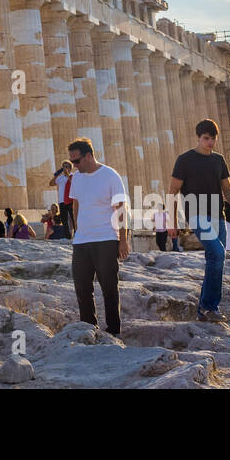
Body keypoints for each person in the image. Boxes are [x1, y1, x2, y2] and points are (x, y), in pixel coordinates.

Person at [167, 118, 230, 323]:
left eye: (212, 138)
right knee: (217, 253)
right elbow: (173, 191)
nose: (209, 142)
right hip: (196, 215)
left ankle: (207, 309)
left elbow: (227, 188)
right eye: (206, 138)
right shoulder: (185, 160)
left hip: (219, 215)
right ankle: (209, 307)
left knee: (216, 260)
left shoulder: (219, 160)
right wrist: (172, 222)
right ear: (198, 138)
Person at [67, 139, 128, 335]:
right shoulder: (77, 177)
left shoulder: (110, 175)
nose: (74, 166)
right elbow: (76, 205)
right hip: (82, 240)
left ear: (88, 156)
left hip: (106, 238)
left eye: (77, 161)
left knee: (109, 287)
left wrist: (123, 239)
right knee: (82, 288)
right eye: (72, 162)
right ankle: (88, 328)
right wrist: (77, 229)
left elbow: (121, 209)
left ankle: (114, 329)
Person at [49, 160, 77, 238]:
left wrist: (67, 174)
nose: (65, 168)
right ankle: (67, 236)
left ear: (70, 168)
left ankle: (77, 234)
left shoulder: (72, 176)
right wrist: (56, 175)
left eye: (66, 166)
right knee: (64, 220)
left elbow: (73, 183)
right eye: (63, 166)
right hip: (62, 201)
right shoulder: (60, 178)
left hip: (71, 200)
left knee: (73, 218)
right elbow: (51, 183)